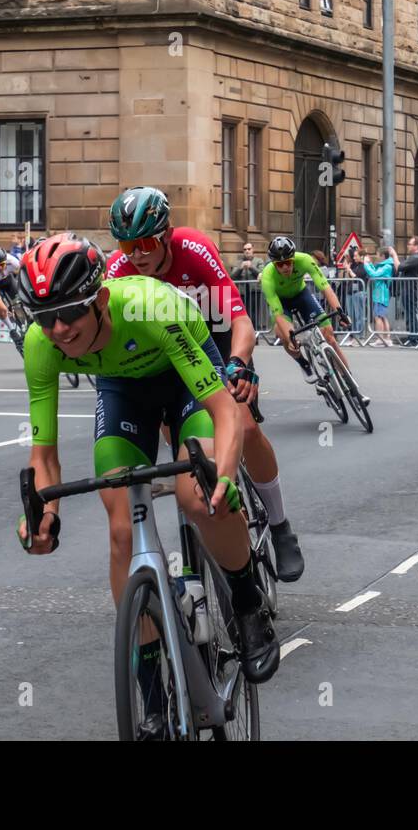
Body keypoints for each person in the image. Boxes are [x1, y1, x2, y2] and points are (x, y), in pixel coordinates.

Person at [15, 234, 281, 731]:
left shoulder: (151, 307)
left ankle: (247, 602)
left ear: (98, 299)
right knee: (120, 530)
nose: (57, 329)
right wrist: (44, 517)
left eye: (68, 313)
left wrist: (223, 477)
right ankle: (152, 688)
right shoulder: (41, 345)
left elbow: (224, 411)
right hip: (124, 395)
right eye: (42, 317)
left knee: (198, 498)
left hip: (183, 378)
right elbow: (43, 455)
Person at [105, 187, 305, 581]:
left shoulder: (194, 249)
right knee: (187, 450)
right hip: (167, 357)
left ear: (167, 234)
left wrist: (239, 363)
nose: (137, 254)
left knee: (245, 427)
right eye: (128, 244)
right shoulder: (119, 270)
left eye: (145, 242)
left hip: (216, 342)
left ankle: (280, 526)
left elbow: (241, 322)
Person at [259, 236, 364, 399]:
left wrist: (341, 312)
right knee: (283, 336)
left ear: (293, 258)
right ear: (273, 264)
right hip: (281, 303)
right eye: (280, 264)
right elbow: (278, 313)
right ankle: (304, 363)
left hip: (301, 295)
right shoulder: (267, 276)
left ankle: (348, 378)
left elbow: (325, 288)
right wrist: (290, 338)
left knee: (329, 334)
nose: (285, 267)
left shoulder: (305, 260)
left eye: (288, 262)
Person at [363, 246, 396, 344]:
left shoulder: (387, 266)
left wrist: (366, 264)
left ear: (382, 256)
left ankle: (380, 339)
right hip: (380, 293)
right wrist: (369, 264)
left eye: (377, 254)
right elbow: (376, 272)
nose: (376, 256)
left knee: (378, 316)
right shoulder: (386, 265)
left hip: (381, 294)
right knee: (383, 316)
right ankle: (386, 338)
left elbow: (374, 274)